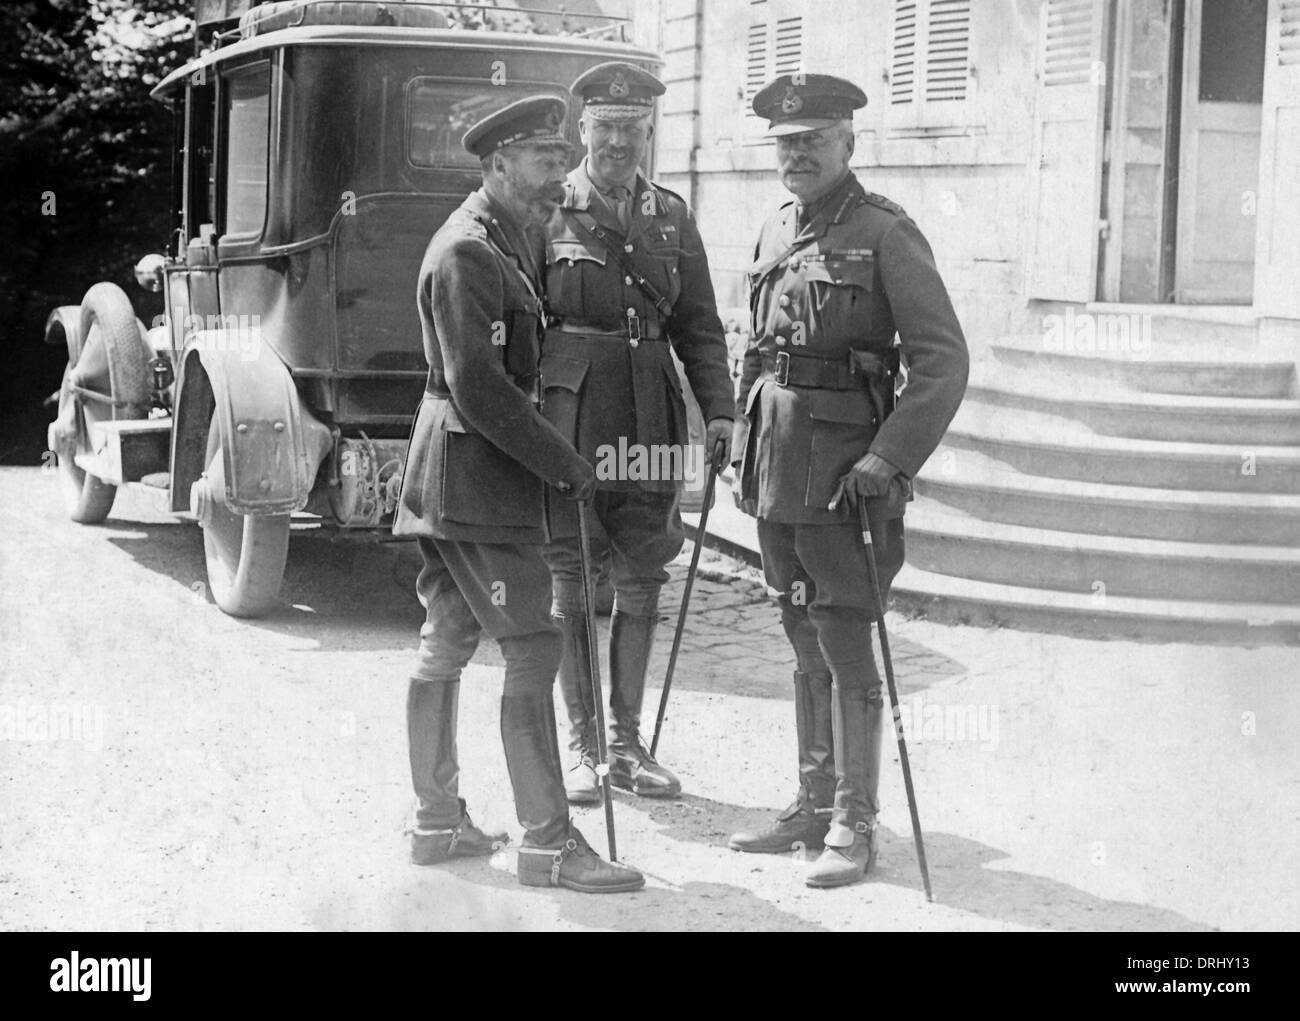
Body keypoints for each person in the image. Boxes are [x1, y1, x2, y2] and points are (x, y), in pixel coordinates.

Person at [394, 95, 643, 894]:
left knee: (448, 631)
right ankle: (548, 840)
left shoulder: (502, 236)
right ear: (498, 163)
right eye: (543, 165)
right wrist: (564, 463)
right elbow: (479, 386)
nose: (556, 183)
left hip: (460, 474)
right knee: (535, 643)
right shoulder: (469, 250)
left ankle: (437, 820)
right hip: (477, 477)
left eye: (557, 165)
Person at [727, 74, 969, 888]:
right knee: (799, 632)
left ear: (849, 144)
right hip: (774, 464)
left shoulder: (886, 234)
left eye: (813, 141)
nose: (797, 155)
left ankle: (854, 820)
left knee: (843, 633)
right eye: (787, 144)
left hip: (843, 476)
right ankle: (811, 798)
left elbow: (942, 360)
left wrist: (889, 457)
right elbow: (756, 349)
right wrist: (740, 443)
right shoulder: (774, 225)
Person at [540, 62, 734, 803]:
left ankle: (627, 742)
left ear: (649, 131)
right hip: (571, 417)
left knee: (644, 575)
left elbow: (701, 326)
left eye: (633, 128)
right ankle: (582, 742)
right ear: (581, 129)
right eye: (606, 127)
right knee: (571, 574)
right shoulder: (550, 209)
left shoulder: (671, 217)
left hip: (651, 418)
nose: (619, 142)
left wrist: (718, 409)